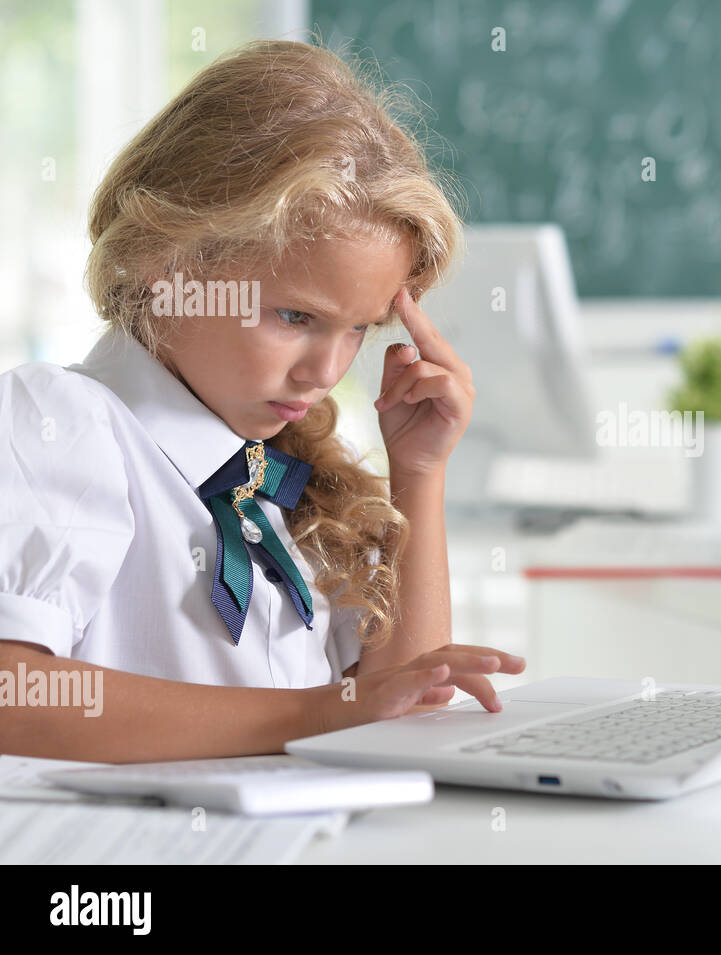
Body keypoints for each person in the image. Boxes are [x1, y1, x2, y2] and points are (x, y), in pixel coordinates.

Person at [0, 39, 524, 762]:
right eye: (295, 318)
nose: (326, 370)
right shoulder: (58, 422)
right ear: (169, 265)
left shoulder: (283, 481)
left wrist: (421, 473)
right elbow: (14, 697)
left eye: (360, 331)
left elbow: (402, 715)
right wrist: (320, 710)